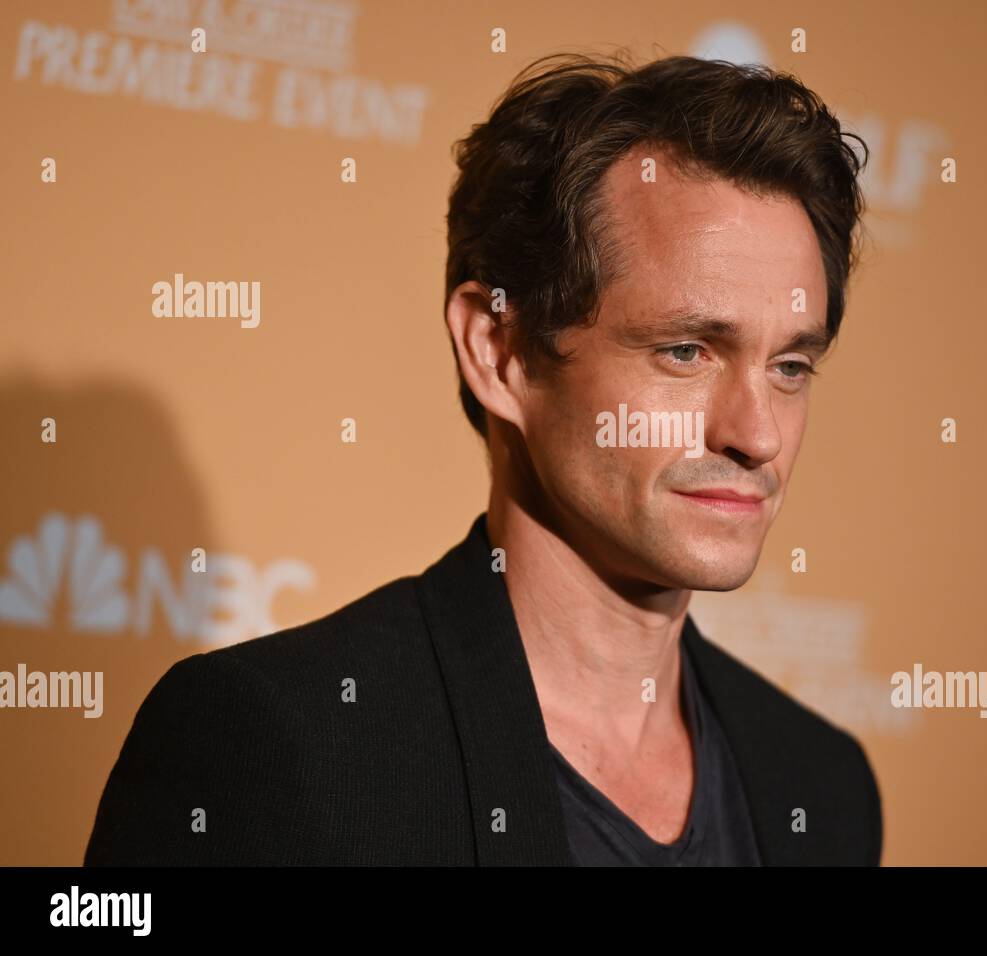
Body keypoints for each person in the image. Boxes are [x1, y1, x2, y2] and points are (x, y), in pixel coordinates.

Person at [84, 51, 883, 866]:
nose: (757, 435)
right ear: (499, 352)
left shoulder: (820, 788)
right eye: (686, 351)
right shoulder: (271, 747)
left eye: (790, 366)